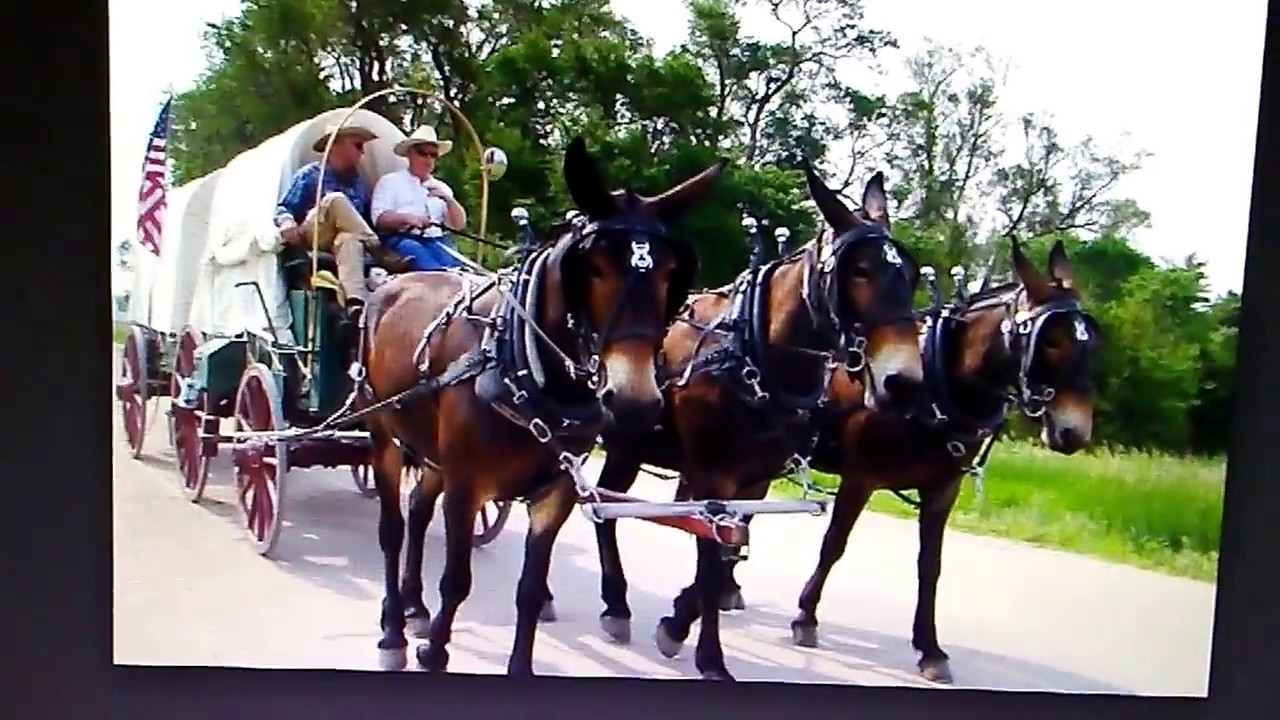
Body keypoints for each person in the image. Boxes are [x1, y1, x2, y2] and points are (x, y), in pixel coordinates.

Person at [274, 120, 380, 323]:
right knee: (335, 199)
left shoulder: (358, 182)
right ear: (337, 144)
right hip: (314, 234)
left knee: (349, 239)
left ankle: (355, 305)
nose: (362, 153)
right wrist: (287, 222)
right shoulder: (311, 175)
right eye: (358, 145)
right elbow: (283, 208)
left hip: (341, 241)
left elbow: (361, 219)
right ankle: (377, 247)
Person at [370, 125, 469, 271]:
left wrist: (449, 200)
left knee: (461, 271)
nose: (428, 159)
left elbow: (459, 225)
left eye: (433, 155)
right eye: (422, 153)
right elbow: (380, 219)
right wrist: (408, 218)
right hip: (402, 238)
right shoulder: (390, 181)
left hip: (437, 241)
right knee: (434, 272)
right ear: (410, 154)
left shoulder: (442, 187)